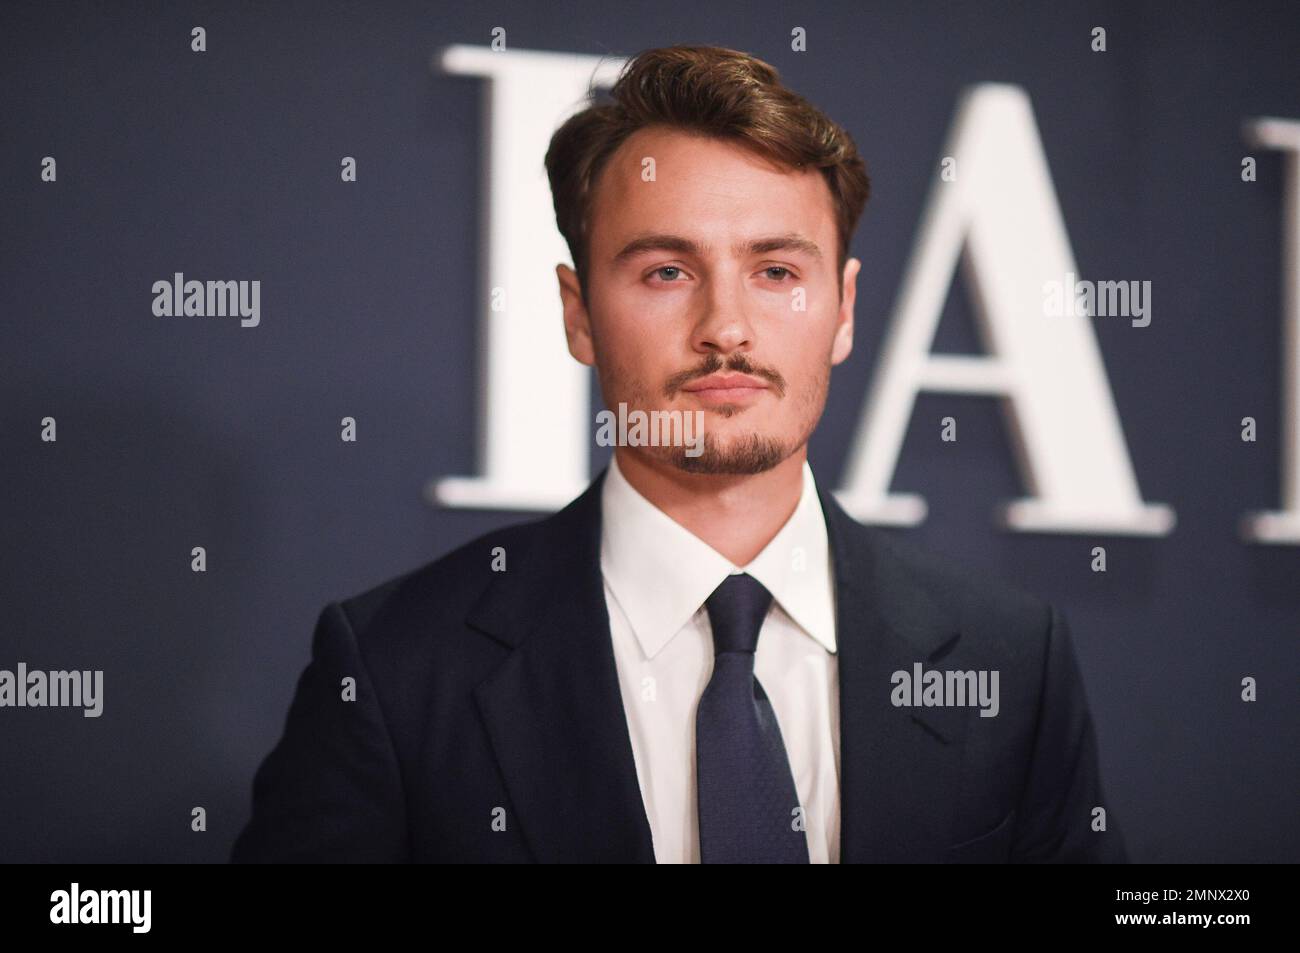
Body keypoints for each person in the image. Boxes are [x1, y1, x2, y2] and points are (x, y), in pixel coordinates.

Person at [232, 44, 1127, 864]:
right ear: (579, 313)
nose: (726, 328)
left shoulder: (1010, 658)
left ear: (844, 308)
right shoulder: (395, 669)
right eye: (667, 271)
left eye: (777, 271)